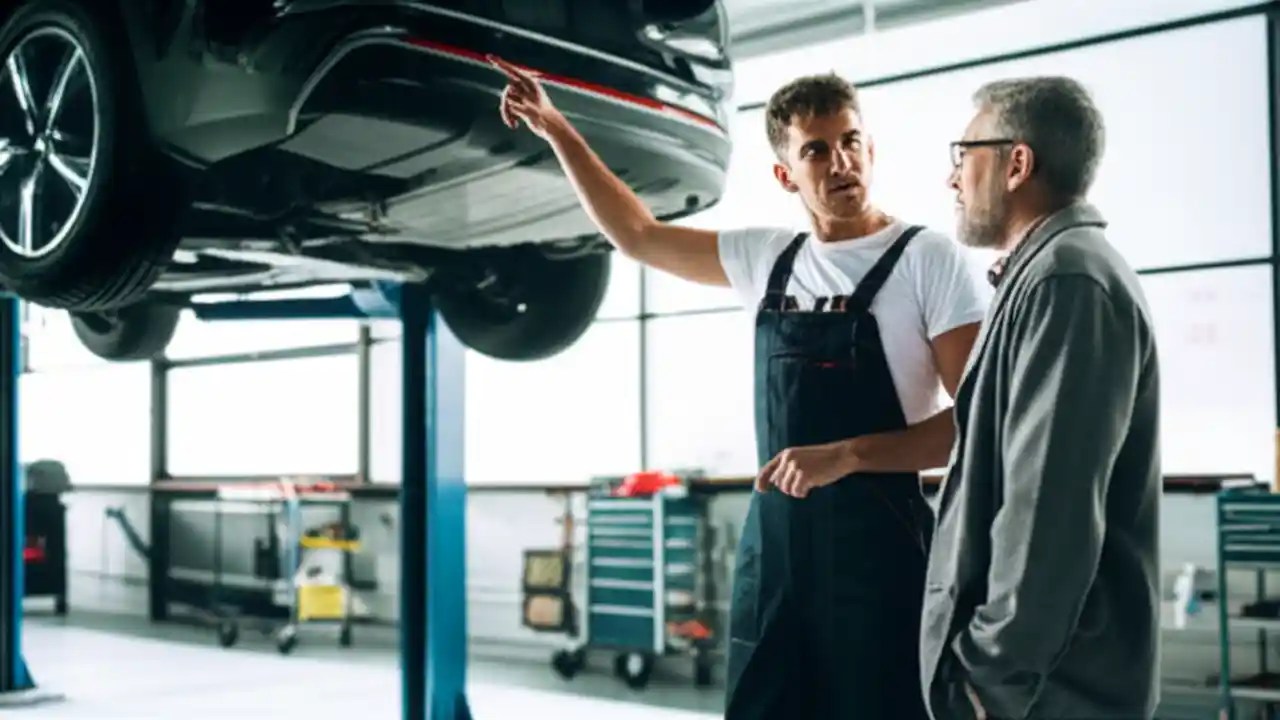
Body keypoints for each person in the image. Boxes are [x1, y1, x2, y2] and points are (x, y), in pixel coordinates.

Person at [489, 57, 988, 718]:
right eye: (816, 150)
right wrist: (556, 129)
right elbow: (638, 235)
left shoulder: (928, 260)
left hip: (882, 557)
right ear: (787, 174)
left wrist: (846, 455)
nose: (840, 162)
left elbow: (977, 424)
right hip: (775, 552)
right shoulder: (768, 259)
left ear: (872, 148)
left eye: (851, 142)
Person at [921, 76, 1161, 720]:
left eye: (964, 155)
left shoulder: (1069, 282)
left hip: (1047, 693)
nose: (952, 180)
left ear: (1017, 163)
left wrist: (986, 677)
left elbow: (1046, 515)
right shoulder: (1044, 276)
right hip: (1041, 687)